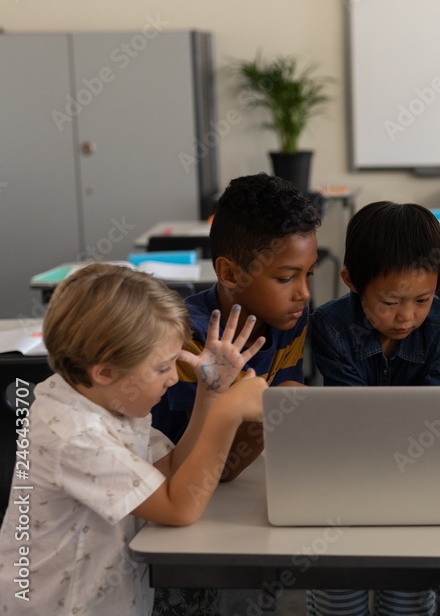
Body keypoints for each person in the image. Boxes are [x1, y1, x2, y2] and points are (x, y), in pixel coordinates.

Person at [0, 264, 266, 616]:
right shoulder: (74, 432)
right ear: (105, 371)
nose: (174, 377)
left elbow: (169, 470)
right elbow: (178, 508)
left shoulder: (111, 400)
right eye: (162, 367)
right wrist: (227, 414)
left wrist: (211, 394)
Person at [308, 201, 440, 616]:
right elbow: (354, 413)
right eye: (390, 302)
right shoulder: (329, 325)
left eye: (422, 299)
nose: (407, 317)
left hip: (419, 479)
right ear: (351, 282)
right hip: (347, 474)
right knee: (339, 594)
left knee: (409, 593)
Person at [152, 172, 321, 475]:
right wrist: (279, 407)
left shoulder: (289, 316)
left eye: (309, 273)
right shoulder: (188, 335)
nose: (304, 293)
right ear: (230, 274)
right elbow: (218, 465)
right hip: (177, 482)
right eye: (286, 278)